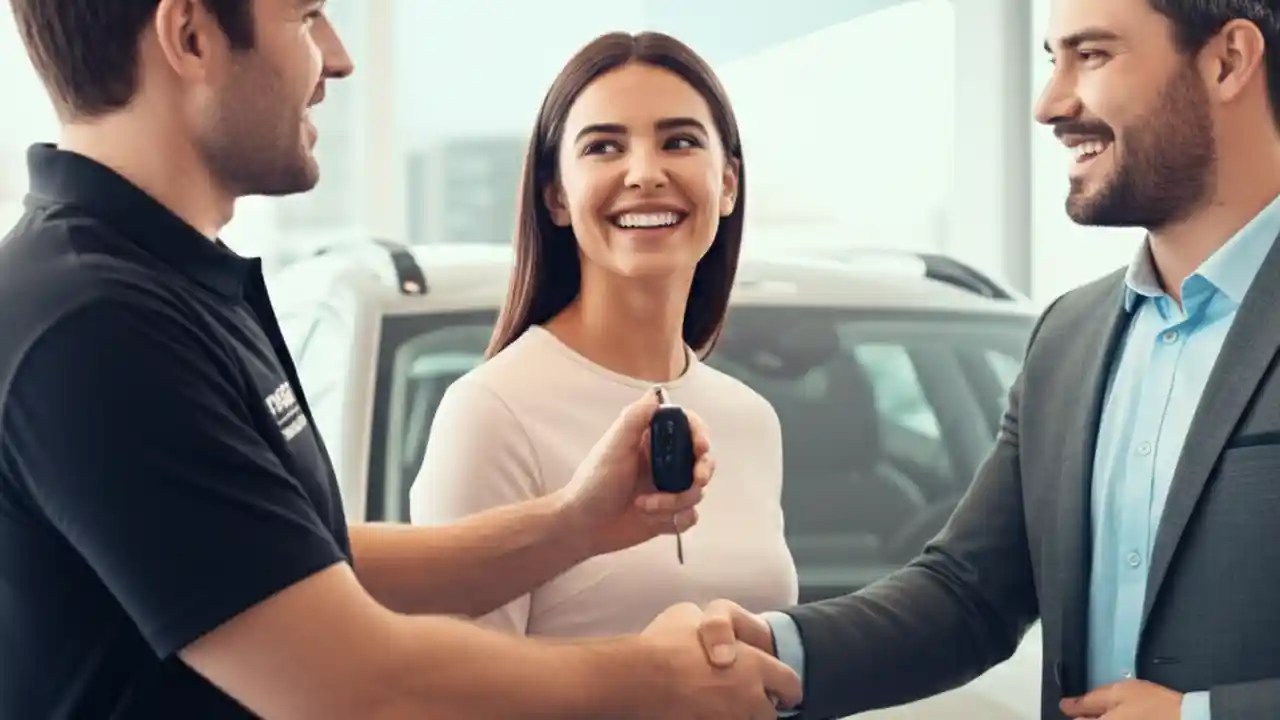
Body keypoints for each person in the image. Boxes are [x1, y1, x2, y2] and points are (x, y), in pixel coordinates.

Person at [0, 1, 802, 718]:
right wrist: (650, 679)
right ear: (191, 35)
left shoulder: (162, 287)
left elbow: (300, 560)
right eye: (307, 17)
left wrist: (569, 526)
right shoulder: (96, 323)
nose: (337, 58)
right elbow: (353, 684)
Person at [694, 0, 1280, 718]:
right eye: (1050, 60)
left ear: (1228, 61)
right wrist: (773, 650)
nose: (1048, 103)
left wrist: (1204, 717)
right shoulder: (1069, 337)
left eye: (1092, 56)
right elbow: (968, 594)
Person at [408, 31, 798, 639]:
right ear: (556, 195)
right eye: (603, 147)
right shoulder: (490, 414)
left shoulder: (753, 421)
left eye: (680, 141)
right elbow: (455, 692)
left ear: (727, 184)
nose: (644, 173)